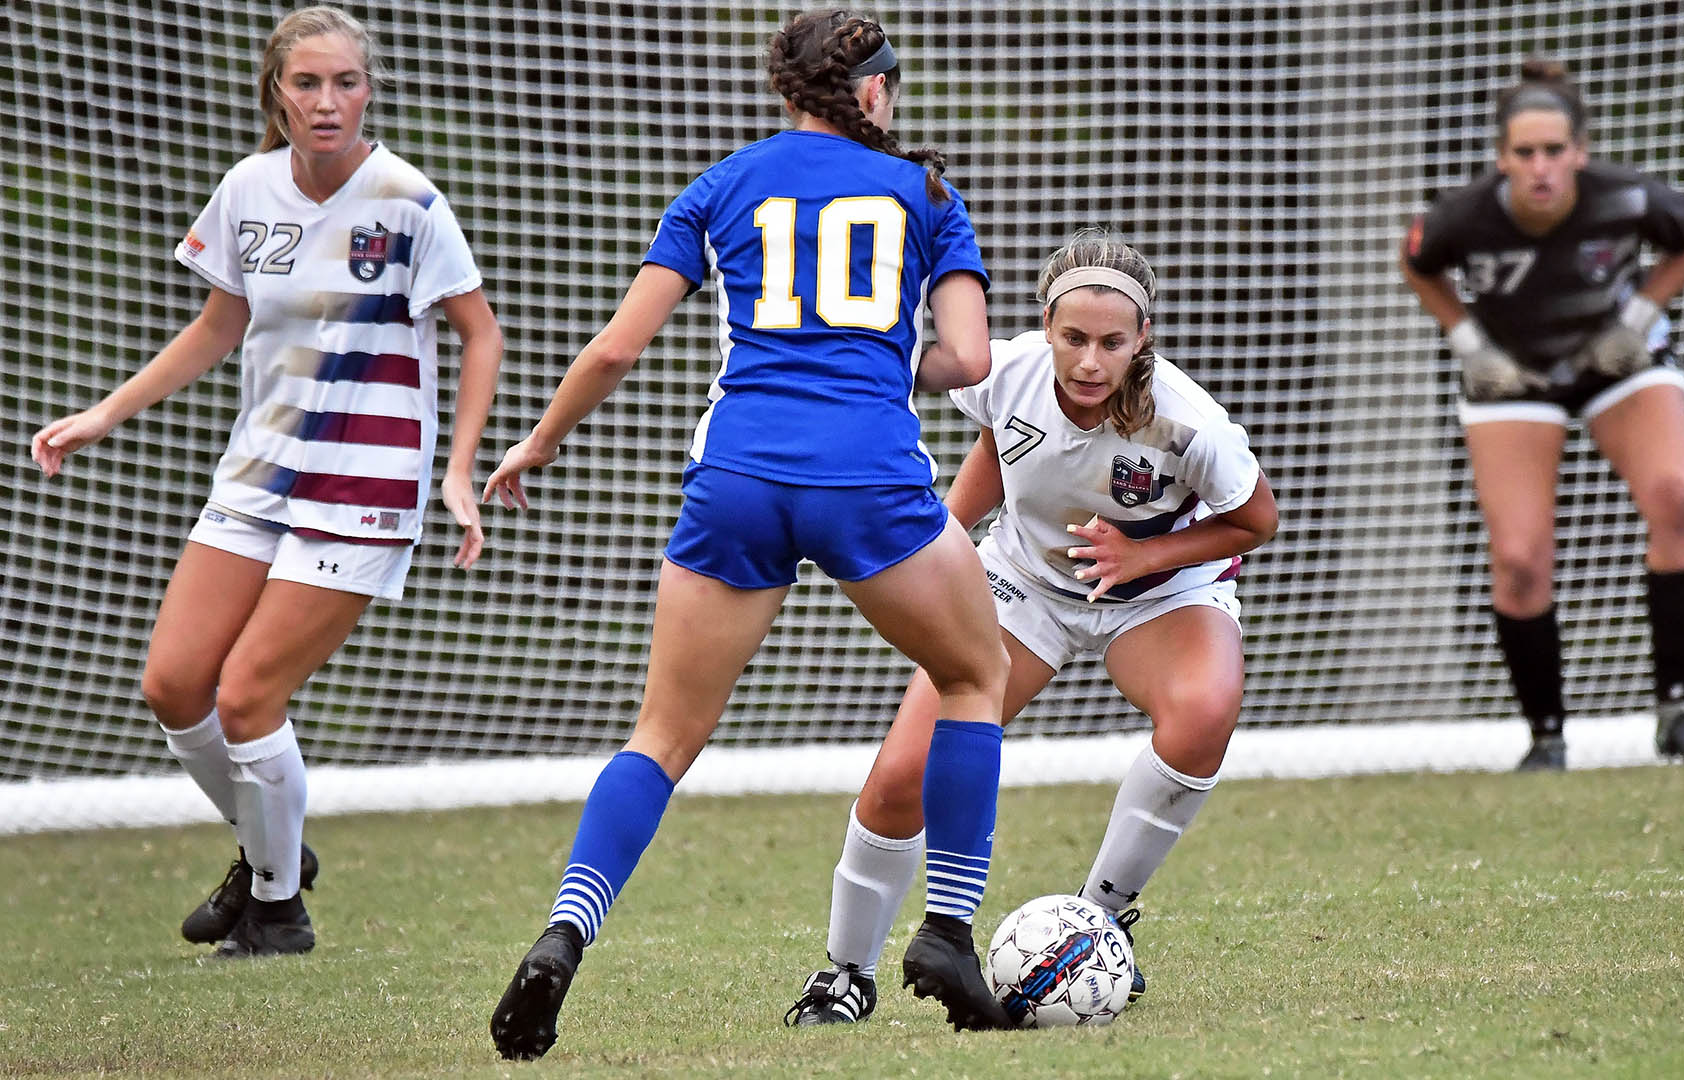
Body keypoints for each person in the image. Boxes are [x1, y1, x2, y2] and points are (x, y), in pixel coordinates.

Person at [483, 9, 1013, 1058]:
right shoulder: (926, 193)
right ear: (873, 92)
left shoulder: (721, 185)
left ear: (783, 91)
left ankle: (563, 934)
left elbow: (616, 348)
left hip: (738, 477)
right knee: (973, 675)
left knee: (663, 735)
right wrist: (872, 358)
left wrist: (539, 441)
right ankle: (949, 931)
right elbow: (969, 361)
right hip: (865, 474)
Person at [28, 5, 502, 954]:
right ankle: (271, 843)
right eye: (307, 83)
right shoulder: (247, 188)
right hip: (258, 473)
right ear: (276, 93)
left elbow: (480, 335)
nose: (328, 102)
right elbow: (219, 324)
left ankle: (278, 909)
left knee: (247, 698)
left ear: (368, 92)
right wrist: (104, 413)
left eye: (346, 83)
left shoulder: (408, 200)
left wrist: (457, 469)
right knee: (173, 686)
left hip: (363, 487)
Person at [784, 229, 1279, 1026]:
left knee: (1204, 713)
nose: (1089, 361)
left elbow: (1256, 520)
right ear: (1046, 325)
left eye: (1111, 343)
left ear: (1142, 338)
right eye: (1073, 338)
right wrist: (945, 534)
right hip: (1025, 583)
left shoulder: (1192, 424)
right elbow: (1002, 443)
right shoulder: (1004, 371)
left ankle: (1100, 921)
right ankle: (845, 975)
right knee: (904, 775)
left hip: (1160, 594)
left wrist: (1144, 553)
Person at [1399, 59, 1684, 772]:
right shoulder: (1464, 217)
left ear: (1581, 151)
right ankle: (1546, 739)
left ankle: (1677, 715)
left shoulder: (1627, 196)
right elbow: (1416, 260)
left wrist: (1637, 320)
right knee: (1520, 560)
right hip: (1515, 374)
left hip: (1617, 361)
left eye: (1554, 150)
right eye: (1524, 153)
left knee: (1679, 500)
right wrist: (1469, 342)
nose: (1540, 167)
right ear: (1501, 158)